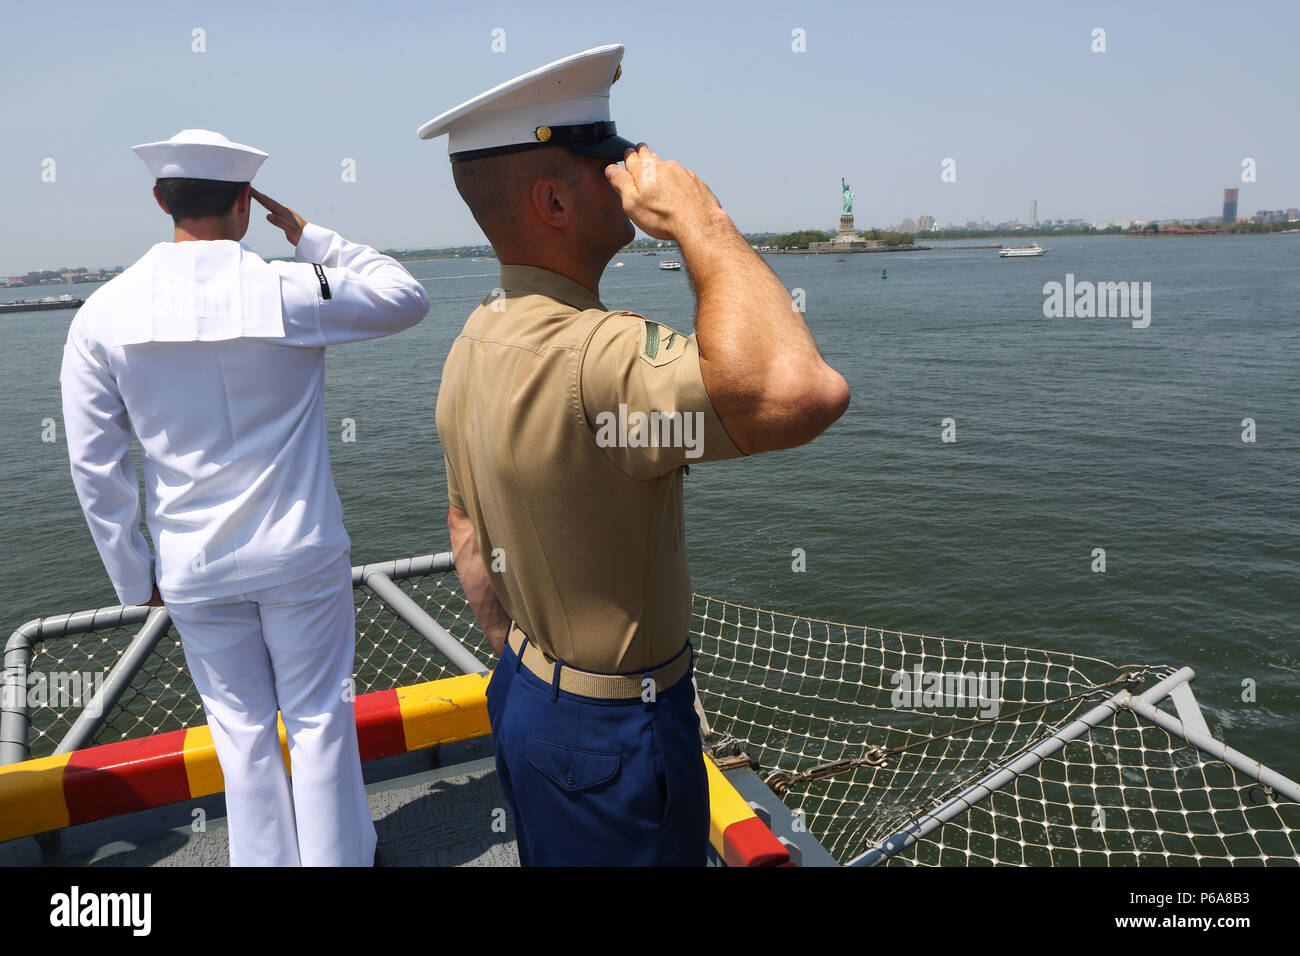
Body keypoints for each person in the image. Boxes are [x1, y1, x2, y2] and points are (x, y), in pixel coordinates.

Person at [419, 46, 849, 865]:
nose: (628, 175)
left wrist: (536, 672)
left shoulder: (474, 337)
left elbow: (466, 529)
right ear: (553, 200)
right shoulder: (598, 359)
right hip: (614, 733)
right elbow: (803, 392)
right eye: (607, 162)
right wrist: (702, 221)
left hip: (523, 690)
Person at [59, 129, 429, 866]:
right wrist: (310, 236)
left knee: (240, 726)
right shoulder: (291, 286)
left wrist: (136, 576)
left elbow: (95, 465)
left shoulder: (100, 313)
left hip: (192, 565)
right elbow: (405, 297)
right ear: (244, 202)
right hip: (301, 550)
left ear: (160, 200)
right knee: (320, 715)